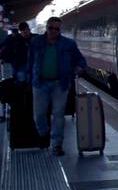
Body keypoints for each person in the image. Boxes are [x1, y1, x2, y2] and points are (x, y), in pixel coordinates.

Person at [28, 17, 86, 156]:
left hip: (60, 84)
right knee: (39, 115)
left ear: (60, 30)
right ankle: (43, 134)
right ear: (46, 28)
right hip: (39, 83)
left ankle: (56, 144)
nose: (53, 31)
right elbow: (29, 62)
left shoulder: (68, 44)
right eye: (50, 28)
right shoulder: (35, 42)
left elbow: (81, 60)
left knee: (58, 114)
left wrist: (79, 67)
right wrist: (27, 77)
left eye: (56, 29)